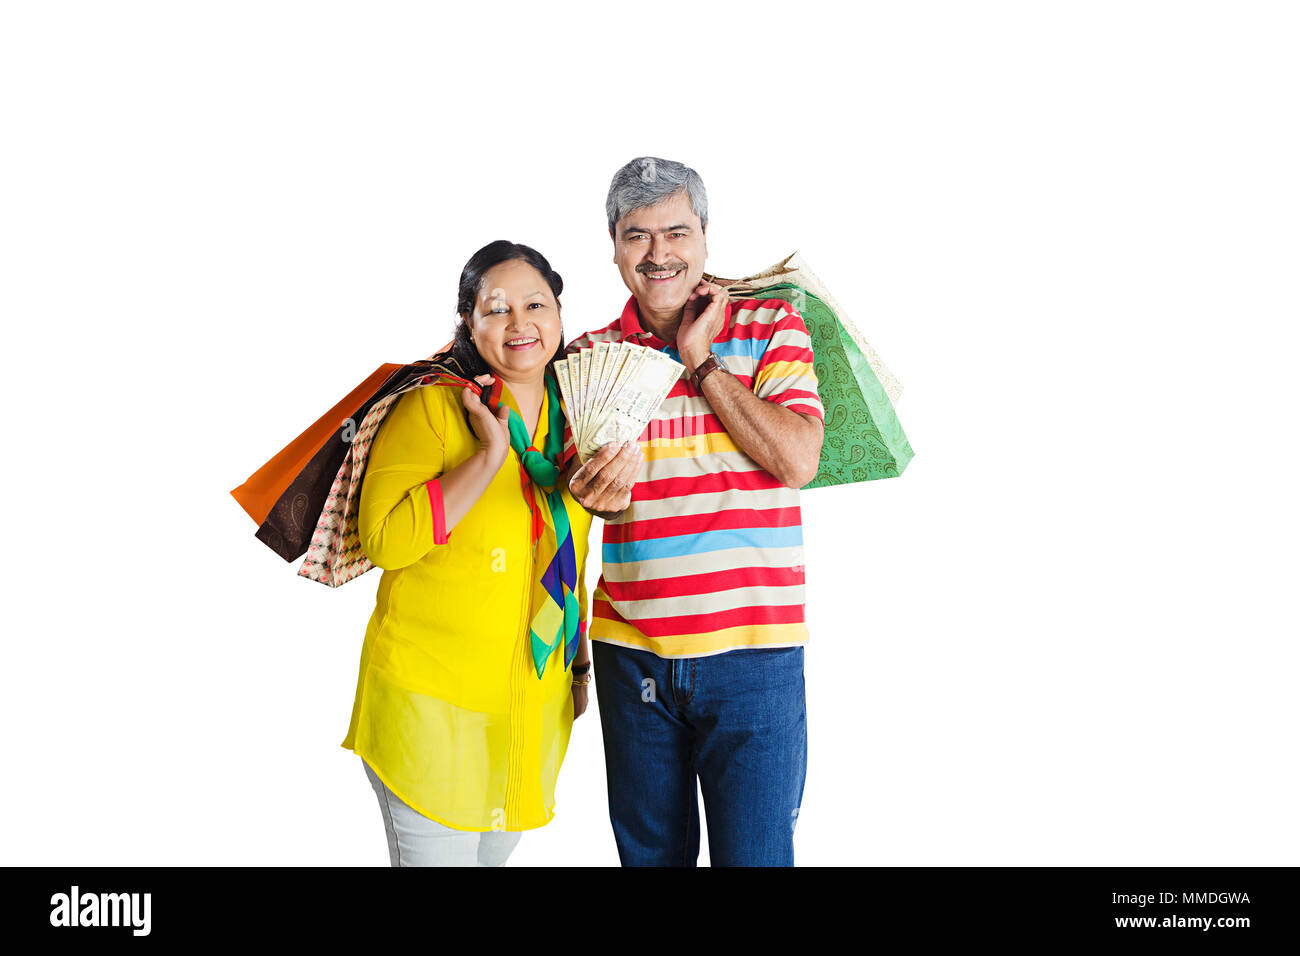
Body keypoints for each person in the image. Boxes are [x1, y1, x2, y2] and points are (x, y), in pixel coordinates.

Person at [341, 239, 640, 866]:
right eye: (496, 309)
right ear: (469, 324)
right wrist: (487, 460)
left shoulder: (574, 416)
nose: (519, 323)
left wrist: (578, 668)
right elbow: (386, 542)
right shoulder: (432, 405)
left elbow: (570, 555)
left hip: (528, 703)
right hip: (431, 703)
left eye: (535, 304)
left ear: (560, 316)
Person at [564, 157, 826, 866]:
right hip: (631, 657)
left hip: (755, 657)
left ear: (705, 236)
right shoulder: (589, 356)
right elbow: (569, 507)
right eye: (637, 235)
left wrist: (701, 360)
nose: (659, 254)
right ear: (614, 246)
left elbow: (798, 460)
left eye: (676, 232)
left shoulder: (774, 324)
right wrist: (591, 498)